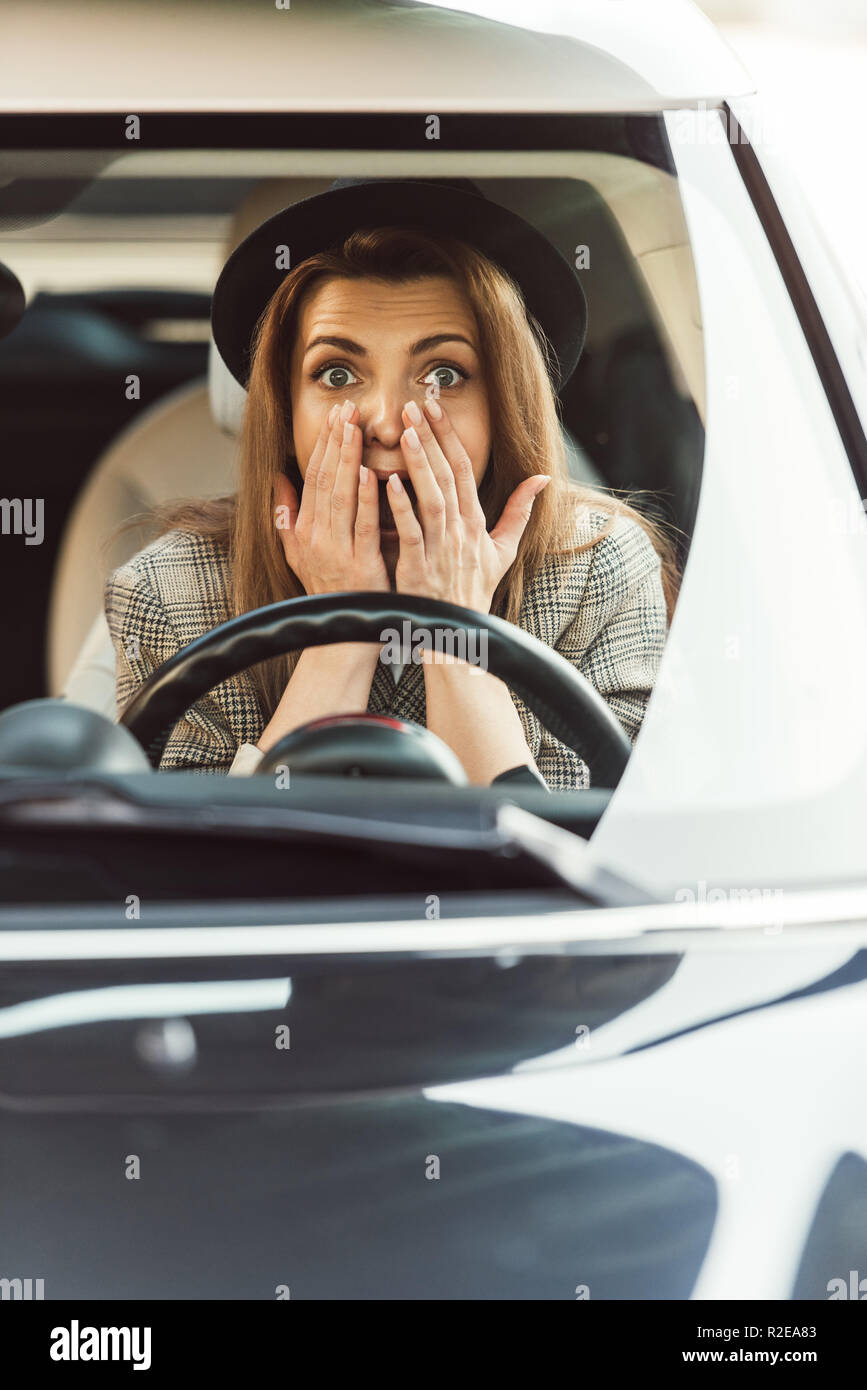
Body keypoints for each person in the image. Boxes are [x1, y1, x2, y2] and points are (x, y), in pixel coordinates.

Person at [105, 176, 678, 788]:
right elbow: (203, 873)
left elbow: (589, 859)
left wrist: (453, 622)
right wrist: (340, 622)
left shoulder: (599, 570)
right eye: (335, 374)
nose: (384, 421)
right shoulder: (168, 590)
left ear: (504, 403)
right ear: (285, 408)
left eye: (445, 374)